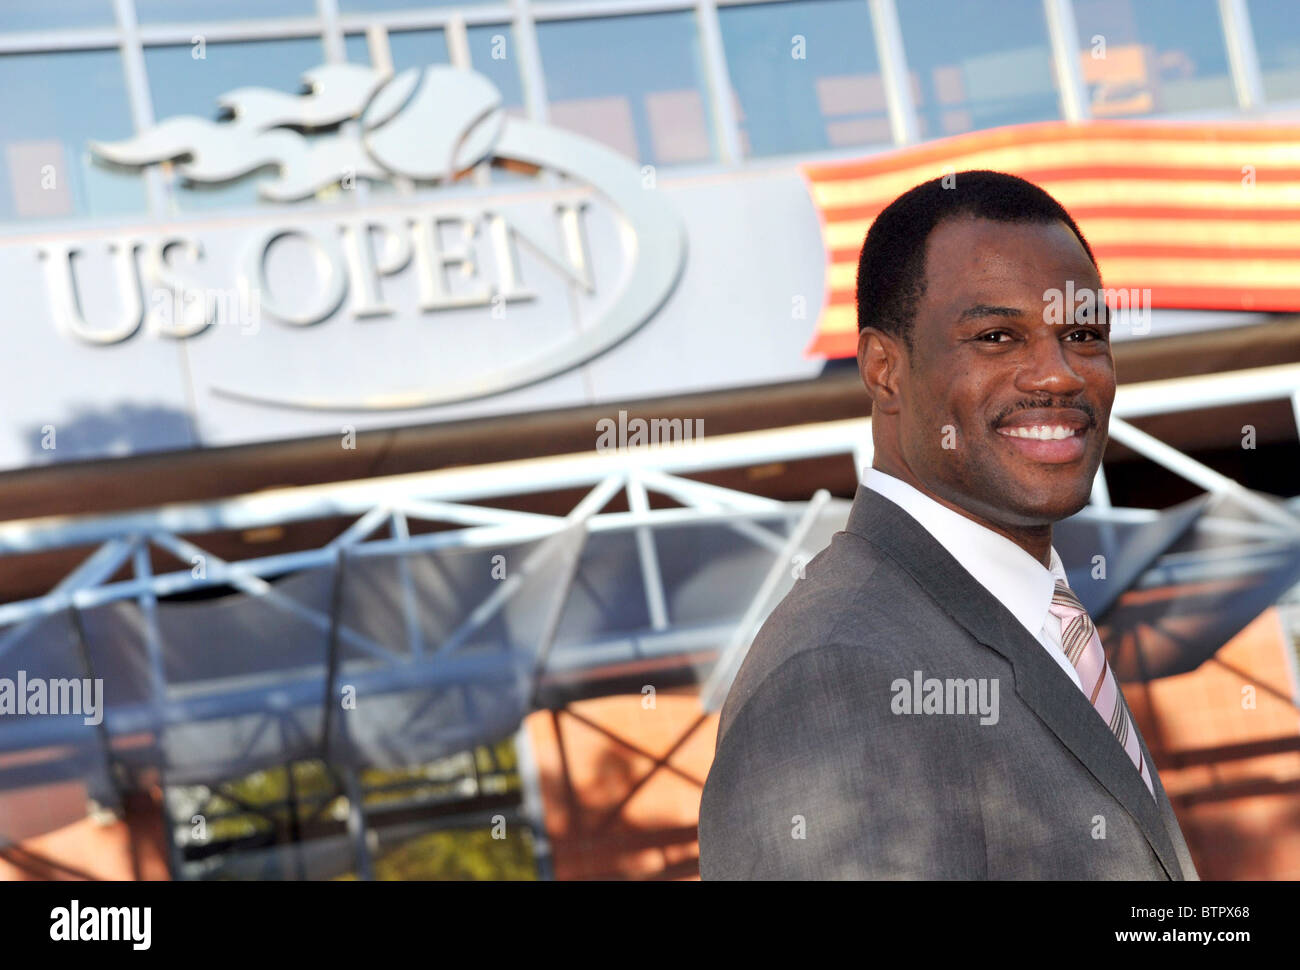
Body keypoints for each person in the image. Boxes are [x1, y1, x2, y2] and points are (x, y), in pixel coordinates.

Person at [698, 170, 1199, 879]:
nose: (1057, 374)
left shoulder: (1044, 622)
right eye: (997, 336)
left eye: (1083, 334)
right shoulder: (838, 674)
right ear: (884, 370)